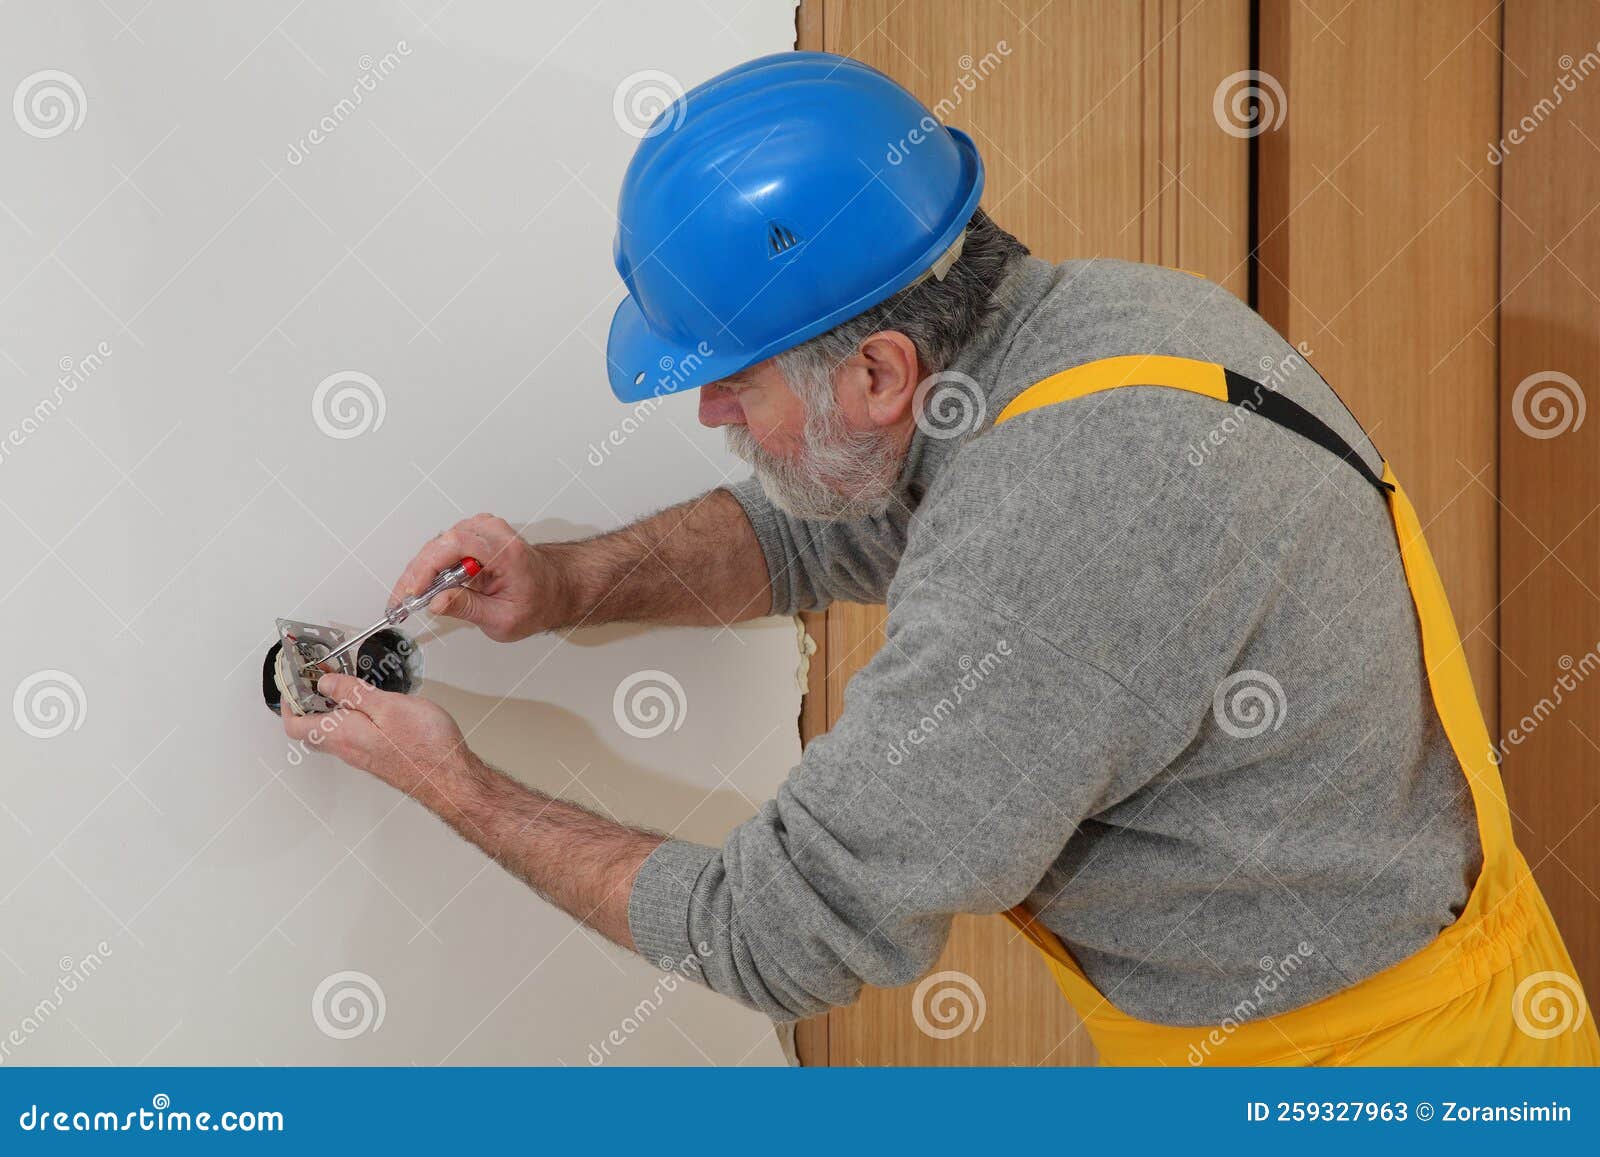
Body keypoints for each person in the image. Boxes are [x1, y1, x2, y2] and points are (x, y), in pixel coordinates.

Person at [285, 52, 1597, 1065]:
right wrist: (569, 585)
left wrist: (457, 787)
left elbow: (777, 927)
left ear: (877, 369)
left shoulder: (1057, 534)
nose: (707, 414)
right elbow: (839, 523)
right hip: (1428, 1002)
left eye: (731, 381)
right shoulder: (1100, 331)